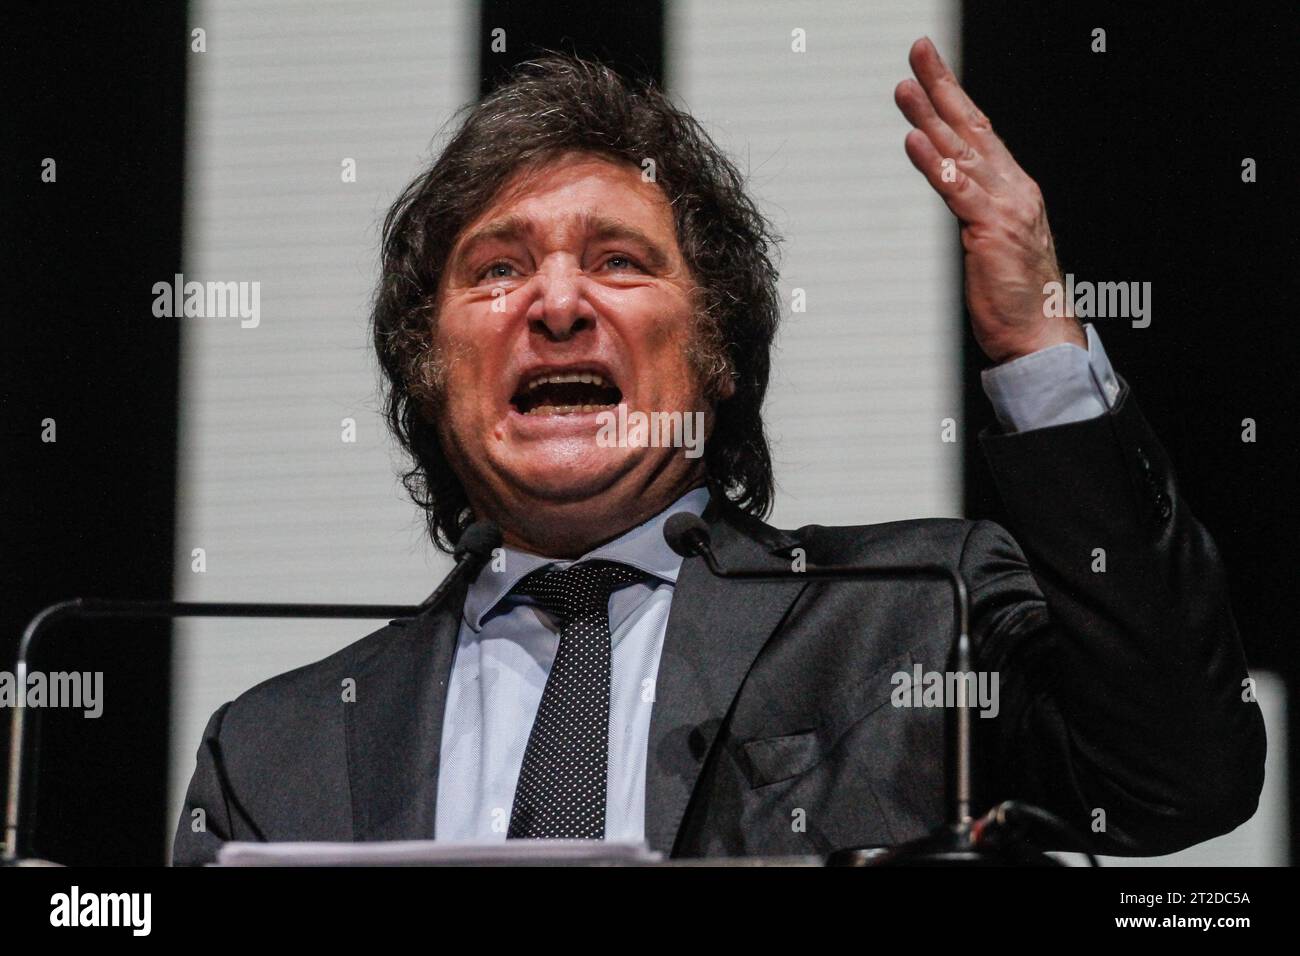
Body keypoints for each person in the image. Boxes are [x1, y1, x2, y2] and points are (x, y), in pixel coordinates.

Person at [173, 41, 1264, 864]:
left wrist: (1035, 342)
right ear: (428, 364)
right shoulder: (275, 751)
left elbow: (1178, 775)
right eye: (497, 270)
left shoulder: (919, 611)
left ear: (716, 352)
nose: (556, 302)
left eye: (619, 260)